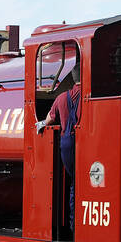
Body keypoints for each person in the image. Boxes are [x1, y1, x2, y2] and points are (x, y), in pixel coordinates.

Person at [36, 63, 82, 230]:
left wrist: (39, 124)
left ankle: (73, 225)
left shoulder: (61, 98)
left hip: (66, 143)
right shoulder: (86, 96)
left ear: (72, 79)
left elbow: (49, 119)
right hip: (82, 142)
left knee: (73, 183)